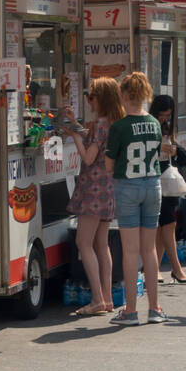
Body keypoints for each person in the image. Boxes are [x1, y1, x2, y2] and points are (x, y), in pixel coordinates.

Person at [104, 71, 167, 325]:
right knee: (149, 249)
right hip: (153, 185)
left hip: (128, 187)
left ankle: (131, 311)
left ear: (126, 95)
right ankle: (155, 309)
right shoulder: (154, 123)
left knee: (130, 252)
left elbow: (109, 166)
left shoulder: (118, 127)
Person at [64, 77, 124, 316]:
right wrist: (73, 123)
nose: (89, 101)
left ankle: (97, 299)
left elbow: (88, 157)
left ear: (101, 99)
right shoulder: (114, 122)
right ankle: (107, 298)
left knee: (83, 243)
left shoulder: (100, 123)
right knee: (102, 244)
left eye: (92, 97)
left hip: (93, 187)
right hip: (108, 186)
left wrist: (75, 136)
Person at [150, 92, 186, 285]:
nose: (165, 118)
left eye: (168, 115)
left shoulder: (167, 127)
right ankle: (175, 269)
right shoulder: (150, 125)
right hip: (155, 178)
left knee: (164, 226)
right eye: (162, 114)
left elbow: (180, 155)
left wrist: (173, 149)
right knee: (166, 225)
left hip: (167, 178)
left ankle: (156, 269)